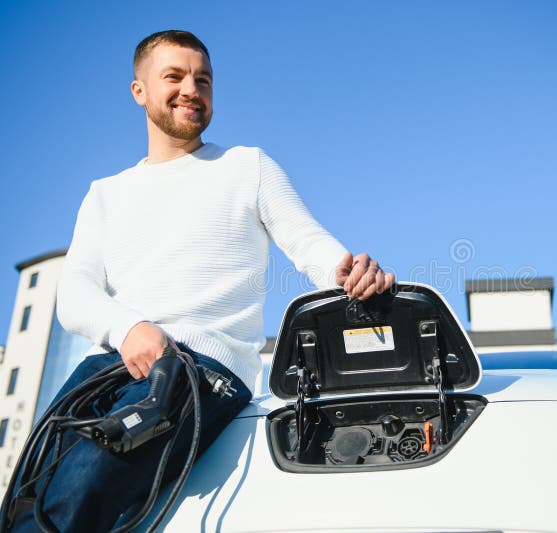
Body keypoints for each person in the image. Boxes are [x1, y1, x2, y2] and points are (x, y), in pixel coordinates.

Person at [8, 30, 393, 532]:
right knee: (25, 497)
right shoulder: (105, 194)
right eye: (174, 76)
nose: (192, 88)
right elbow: (75, 296)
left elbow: (310, 245)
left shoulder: (247, 167)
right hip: (104, 369)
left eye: (203, 79)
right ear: (139, 90)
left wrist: (347, 273)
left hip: (196, 370)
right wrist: (129, 329)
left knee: (81, 490)